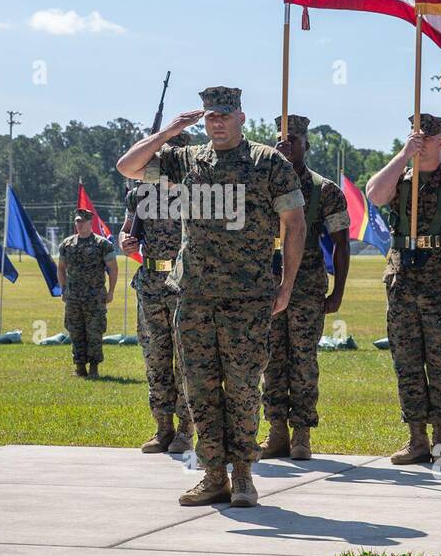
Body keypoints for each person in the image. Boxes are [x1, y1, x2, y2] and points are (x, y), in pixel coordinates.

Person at [116, 86, 305, 508]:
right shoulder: (186, 161)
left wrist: (286, 284)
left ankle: (243, 477)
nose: (216, 122)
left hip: (248, 297)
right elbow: (128, 167)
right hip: (195, 297)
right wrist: (169, 130)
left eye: (225, 114)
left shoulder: (267, 162)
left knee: (241, 388)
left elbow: (295, 224)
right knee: (200, 388)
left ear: (241, 116)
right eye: (209, 116)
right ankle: (213, 475)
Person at [366, 114, 441, 464]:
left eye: (427, 137)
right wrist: (403, 155)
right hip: (403, 284)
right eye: (415, 135)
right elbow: (374, 194)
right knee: (407, 362)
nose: (421, 141)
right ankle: (416, 438)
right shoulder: (399, 180)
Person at [260, 114, 349, 461]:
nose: (286, 145)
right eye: (280, 139)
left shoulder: (324, 190)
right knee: (270, 359)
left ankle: (301, 433)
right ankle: (276, 430)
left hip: (307, 285)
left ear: (306, 145)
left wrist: (338, 292)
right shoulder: (262, 185)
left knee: (302, 359)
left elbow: (342, 244)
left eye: (293, 140)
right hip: (267, 282)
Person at [120, 133, 196, 453]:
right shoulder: (139, 194)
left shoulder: (196, 192)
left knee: (187, 360)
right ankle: (162, 427)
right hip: (150, 281)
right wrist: (126, 240)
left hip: (183, 284)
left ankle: (185, 430)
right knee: (156, 358)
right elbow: (127, 229)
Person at [57, 207, 118, 378]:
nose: (79, 225)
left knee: (94, 332)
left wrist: (111, 291)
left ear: (90, 223)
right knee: (75, 332)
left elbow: (113, 269)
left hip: (95, 297)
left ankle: (94, 367)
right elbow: (61, 269)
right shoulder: (67, 245)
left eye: (82, 222)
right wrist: (63, 289)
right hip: (74, 297)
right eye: (77, 222)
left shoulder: (102, 244)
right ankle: (79, 367)